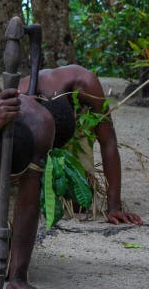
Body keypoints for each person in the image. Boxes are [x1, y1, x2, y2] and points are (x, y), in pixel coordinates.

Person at [0, 68, 142, 289]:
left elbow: (29, 202)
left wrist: (19, 277)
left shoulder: (41, 129)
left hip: (4, 196)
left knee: (4, 265)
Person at [18, 64, 143, 225]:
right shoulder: (20, 95)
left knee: (79, 204)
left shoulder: (86, 83)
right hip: (32, 129)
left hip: (77, 118)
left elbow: (108, 141)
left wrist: (114, 206)